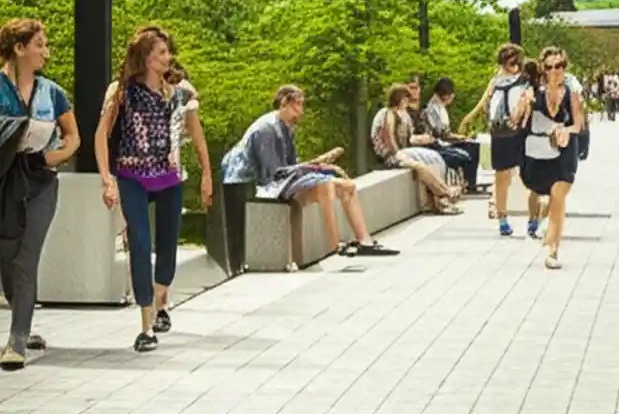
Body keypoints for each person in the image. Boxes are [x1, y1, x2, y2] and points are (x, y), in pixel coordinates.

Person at [94, 27, 213, 353]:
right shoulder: (122, 92)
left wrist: (206, 172)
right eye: (160, 52)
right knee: (140, 242)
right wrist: (107, 179)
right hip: (131, 174)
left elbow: (195, 130)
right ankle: (146, 325)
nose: (168, 57)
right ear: (145, 57)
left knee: (167, 243)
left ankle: (162, 299)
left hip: (169, 177)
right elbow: (101, 135)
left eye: (167, 52)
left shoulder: (178, 93)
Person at [222, 85, 399, 261]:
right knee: (325, 184)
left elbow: (291, 165)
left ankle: (365, 241)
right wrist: (313, 166)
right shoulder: (266, 129)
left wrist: (315, 166)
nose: (301, 110)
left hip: (281, 179)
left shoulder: (286, 127)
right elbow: (272, 173)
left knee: (347, 186)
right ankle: (335, 244)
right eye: (297, 105)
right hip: (255, 184)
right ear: (284, 104)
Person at [0, 19, 80, 370]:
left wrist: (56, 156)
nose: (46, 52)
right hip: (4, 180)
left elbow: (73, 136)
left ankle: (16, 340)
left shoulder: (53, 92)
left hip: (41, 180)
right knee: (6, 256)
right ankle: (25, 320)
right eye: (39, 44)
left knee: (25, 257)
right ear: (19, 48)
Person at [512, 47, 584, 269]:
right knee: (541, 191)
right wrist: (523, 104)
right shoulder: (533, 92)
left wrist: (566, 131)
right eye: (550, 66)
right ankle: (540, 226)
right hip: (537, 152)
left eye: (559, 66)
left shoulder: (572, 92)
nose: (555, 71)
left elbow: (578, 124)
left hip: (564, 151)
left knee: (558, 195)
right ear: (543, 69)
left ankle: (553, 249)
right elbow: (514, 119)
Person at [459, 44, 530, 237]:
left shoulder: (525, 80)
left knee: (528, 172)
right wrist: (469, 118)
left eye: (516, 59)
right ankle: (502, 217)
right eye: (509, 60)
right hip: (500, 132)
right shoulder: (496, 81)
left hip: (519, 130)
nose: (513, 64)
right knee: (502, 176)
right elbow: (484, 102)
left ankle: (533, 217)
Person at [372, 85, 460, 215]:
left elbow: (409, 138)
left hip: (402, 152)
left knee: (431, 160)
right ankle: (445, 193)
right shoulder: (387, 113)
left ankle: (440, 198)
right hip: (390, 155)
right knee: (420, 167)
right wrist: (397, 155)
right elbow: (388, 137)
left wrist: (422, 139)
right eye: (406, 99)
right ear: (401, 100)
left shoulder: (403, 114)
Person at [421, 77, 482, 194]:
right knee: (471, 148)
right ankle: (470, 184)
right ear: (445, 94)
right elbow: (442, 134)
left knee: (473, 146)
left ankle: (470, 183)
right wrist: (460, 137)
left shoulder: (439, 107)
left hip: (443, 141)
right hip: (438, 144)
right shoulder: (433, 108)